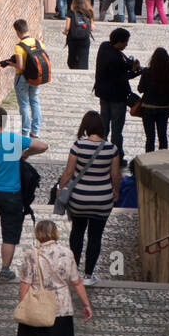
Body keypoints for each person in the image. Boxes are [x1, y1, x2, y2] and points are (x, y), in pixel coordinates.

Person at [0, 106, 48, 279]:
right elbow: (44, 146)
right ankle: (5, 269)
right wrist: (26, 153)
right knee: (10, 233)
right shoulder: (14, 139)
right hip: (12, 194)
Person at [11, 219, 92, 336]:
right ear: (55, 233)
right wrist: (86, 304)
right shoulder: (67, 253)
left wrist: (22, 305)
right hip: (61, 307)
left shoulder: (32, 254)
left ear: (38, 234)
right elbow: (77, 282)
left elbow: (25, 283)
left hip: (38, 306)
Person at [56, 111, 120, 286]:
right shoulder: (111, 149)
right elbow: (115, 174)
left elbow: (68, 173)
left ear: (85, 126)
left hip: (79, 199)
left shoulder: (78, 146)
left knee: (77, 232)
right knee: (95, 236)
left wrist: (60, 188)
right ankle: (89, 275)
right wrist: (116, 191)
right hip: (102, 199)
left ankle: (74, 272)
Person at [94, 27, 141, 159]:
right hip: (117, 98)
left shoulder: (105, 47)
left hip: (103, 95)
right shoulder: (116, 58)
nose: (126, 44)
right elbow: (124, 76)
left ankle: (99, 153)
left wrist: (129, 65)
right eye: (125, 42)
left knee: (104, 126)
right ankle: (117, 156)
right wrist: (137, 71)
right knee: (116, 129)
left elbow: (120, 63)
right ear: (119, 42)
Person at [3, 20, 46, 139]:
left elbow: (20, 66)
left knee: (24, 104)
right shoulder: (38, 43)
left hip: (22, 78)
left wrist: (10, 63)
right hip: (36, 77)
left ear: (17, 31)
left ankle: (25, 132)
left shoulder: (19, 47)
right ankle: (36, 131)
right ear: (27, 28)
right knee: (35, 101)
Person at [137, 47, 169, 151]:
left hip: (148, 108)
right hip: (163, 108)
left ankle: (148, 160)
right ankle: (162, 159)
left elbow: (140, 89)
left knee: (150, 137)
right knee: (162, 136)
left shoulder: (147, 72)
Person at [63, 0, 93, 71]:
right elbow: (92, 28)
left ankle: (73, 67)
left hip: (73, 38)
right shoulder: (89, 12)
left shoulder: (71, 12)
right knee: (84, 57)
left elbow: (67, 27)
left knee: (72, 56)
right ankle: (82, 70)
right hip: (85, 39)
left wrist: (64, 32)